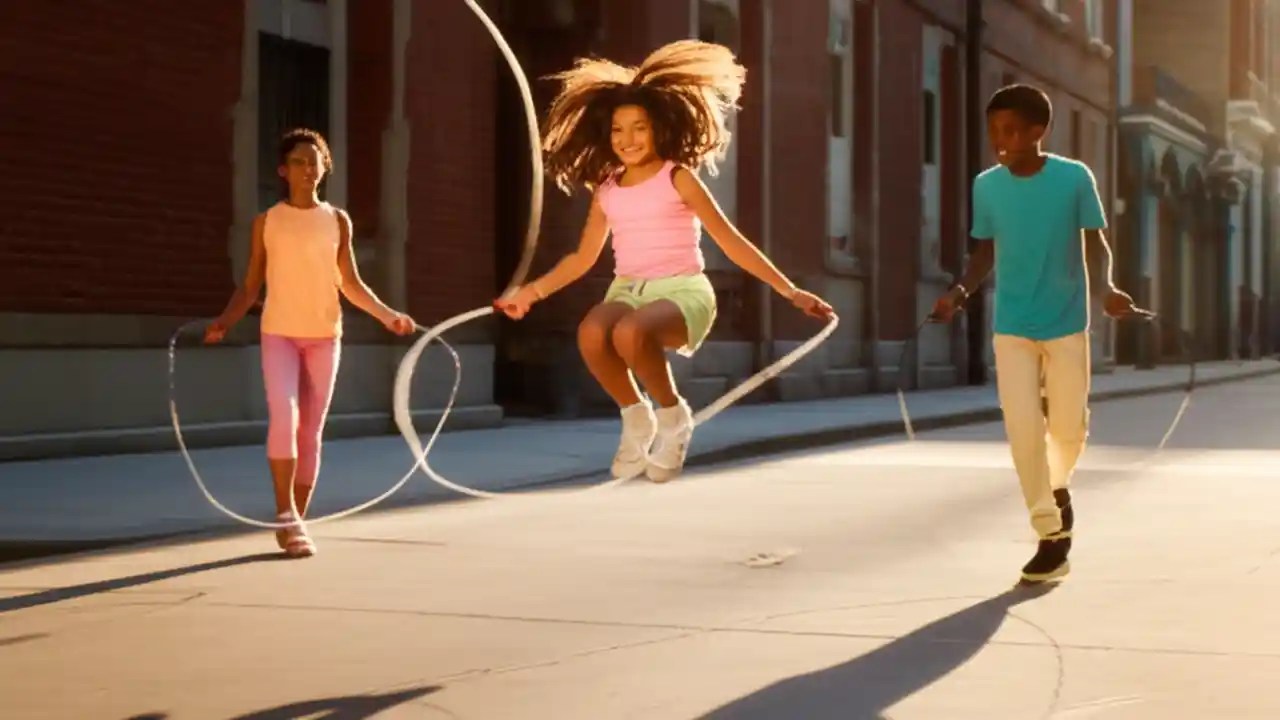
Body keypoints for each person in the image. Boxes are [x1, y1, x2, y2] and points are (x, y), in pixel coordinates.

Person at [496, 40, 833, 483]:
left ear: (660, 128)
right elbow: (581, 257)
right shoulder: (608, 187)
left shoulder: (678, 177)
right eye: (618, 130)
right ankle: (637, 418)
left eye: (639, 128)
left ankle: (673, 417)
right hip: (627, 289)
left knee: (632, 332)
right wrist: (532, 293)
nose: (628, 140)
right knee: (594, 331)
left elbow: (730, 242)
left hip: (682, 291)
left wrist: (790, 291)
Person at [932, 84, 1147, 584]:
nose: (1000, 141)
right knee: (1023, 430)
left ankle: (1058, 487)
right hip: (1012, 327)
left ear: (1037, 132)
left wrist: (1110, 290)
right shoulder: (987, 186)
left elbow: (1096, 245)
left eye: (1010, 131)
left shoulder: (1074, 179)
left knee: (1068, 431)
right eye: (993, 132)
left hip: (1067, 323)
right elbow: (983, 252)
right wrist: (959, 293)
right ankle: (1051, 537)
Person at [205, 128, 416, 558]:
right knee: (283, 416)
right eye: (298, 161)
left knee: (311, 432)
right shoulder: (268, 222)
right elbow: (250, 286)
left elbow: (352, 285)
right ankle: (285, 514)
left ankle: (294, 522)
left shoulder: (337, 221)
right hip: (279, 333)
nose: (307, 168)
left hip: (324, 337)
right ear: (284, 171)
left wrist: (388, 316)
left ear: (325, 167)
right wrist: (225, 321)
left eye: (314, 160)